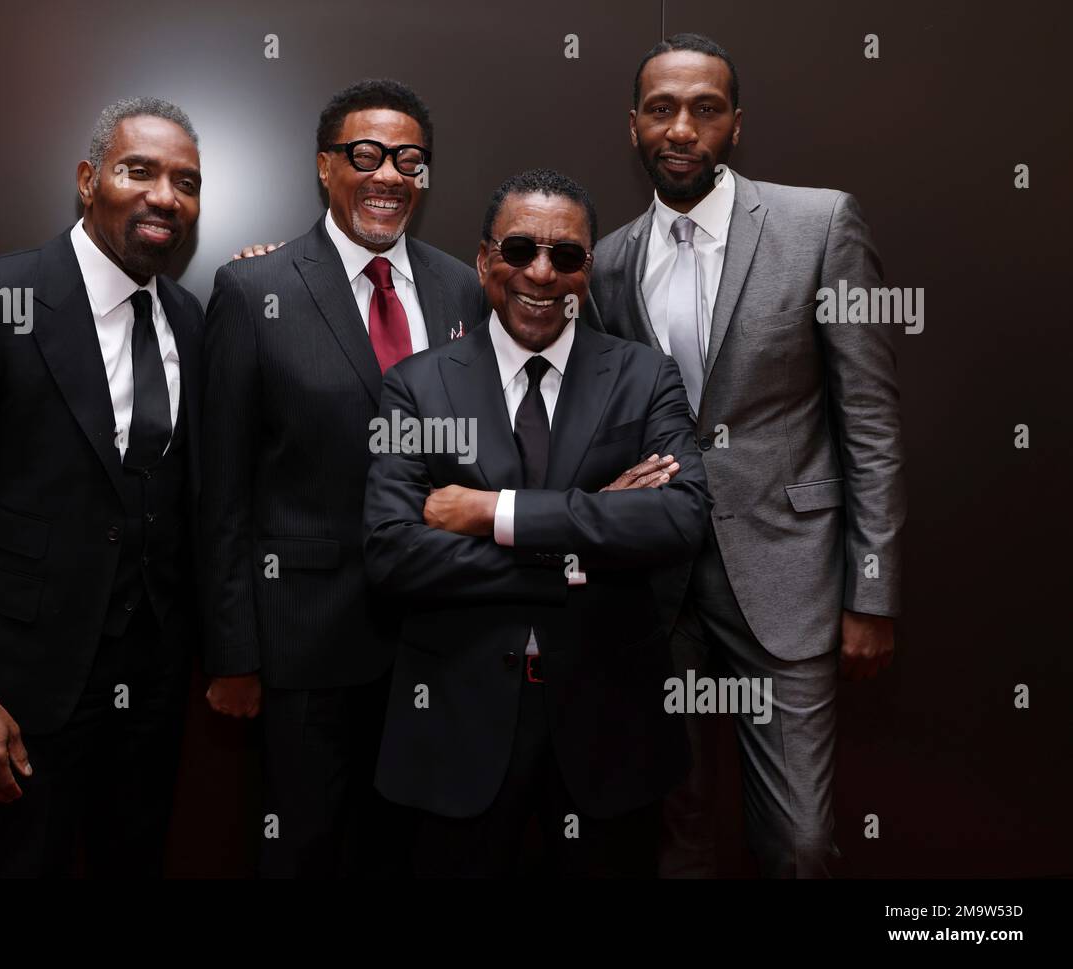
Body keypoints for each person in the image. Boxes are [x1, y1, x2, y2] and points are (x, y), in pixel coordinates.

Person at [587, 33, 906, 877]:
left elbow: (869, 417)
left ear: (736, 125)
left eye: (705, 109)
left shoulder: (820, 223)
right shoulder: (608, 260)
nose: (681, 128)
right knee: (676, 834)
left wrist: (871, 590)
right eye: (662, 110)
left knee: (798, 842)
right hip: (659, 586)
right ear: (634, 127)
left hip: (788, 575)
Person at [363, 169, 711, 876]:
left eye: (568, 256)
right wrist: (586, 539)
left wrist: (498, 513)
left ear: (589, 268)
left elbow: (680, 519)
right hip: (456, 722)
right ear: (486, 257)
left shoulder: (646, 378)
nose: (542, 273)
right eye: (520, 250)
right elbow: (393, 553)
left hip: (610, 727)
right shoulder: (417, 387)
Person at [0, 97, 206, 877]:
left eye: (185, 180)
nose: (164, 195)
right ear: (87, 179)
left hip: (156, 687)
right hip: (25, 693)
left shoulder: (192, 319)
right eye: (139, 170)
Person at [202, 78, 486, 876]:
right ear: (325, 166)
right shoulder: (254, 289)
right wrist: (232, 653)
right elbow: (219, 488)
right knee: (308, 850)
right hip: (305, 643)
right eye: (365, 155)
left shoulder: (461, 287)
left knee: (417, 846)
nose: (388, 174)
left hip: (438, 636)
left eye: (409, 159)